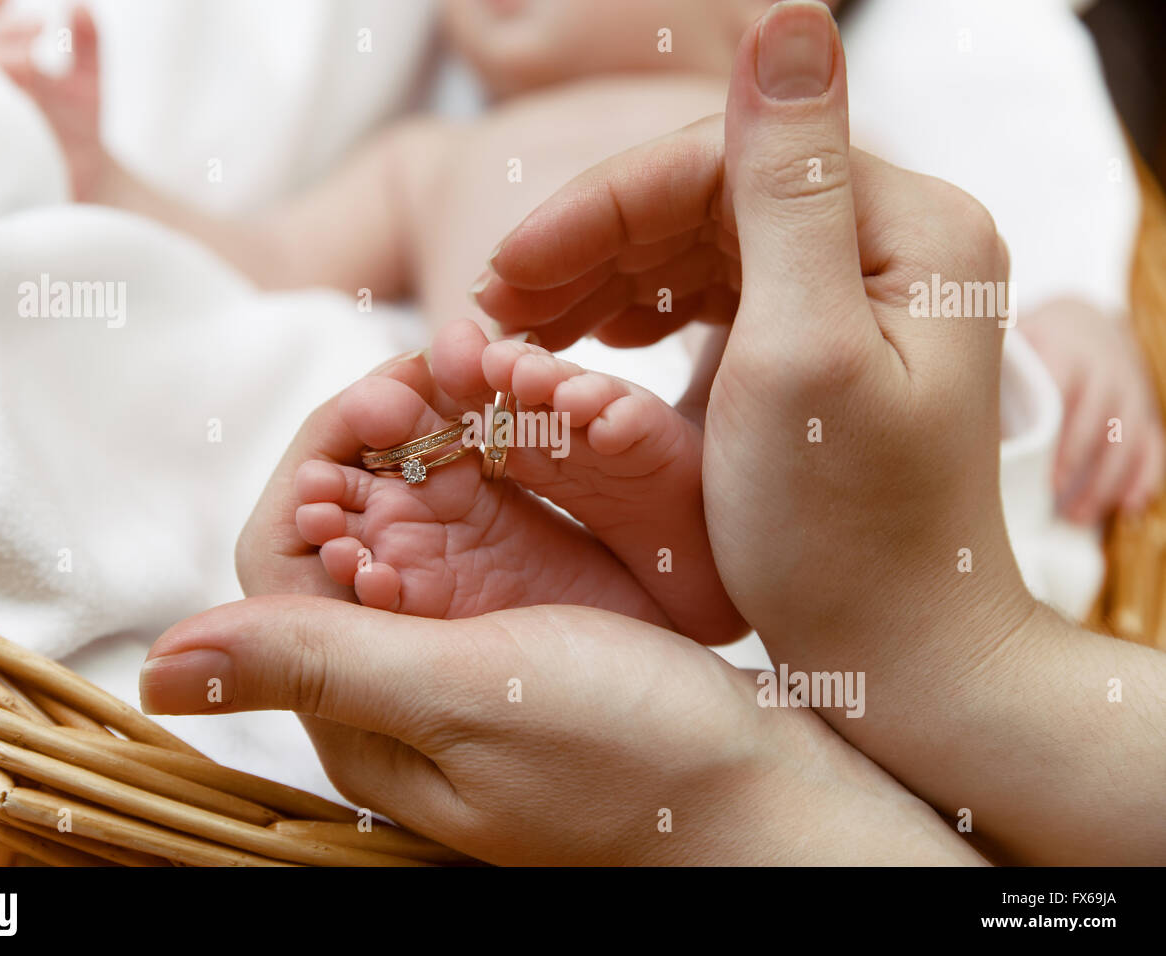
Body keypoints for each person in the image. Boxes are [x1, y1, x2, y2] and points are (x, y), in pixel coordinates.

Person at [141, 0, 1166, 865]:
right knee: (449, 409)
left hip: (819, 472)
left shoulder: (833, 167)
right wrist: (88, 164)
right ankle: (623, 576)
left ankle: (697, 534)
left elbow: (960, 293)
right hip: (512, 452)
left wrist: (1074, 320)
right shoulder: (427, 156)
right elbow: (247, 262)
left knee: (846, 379)